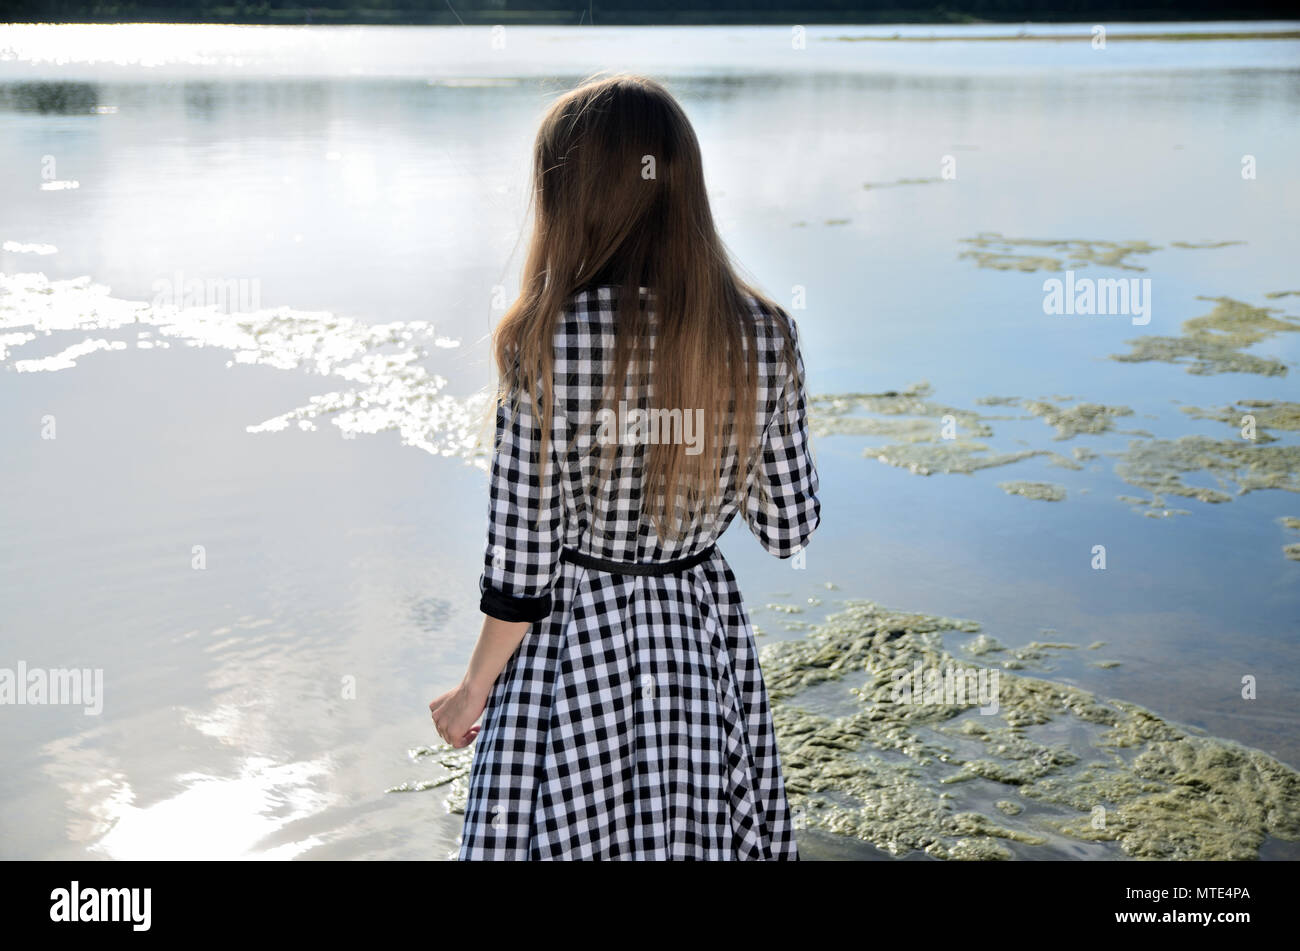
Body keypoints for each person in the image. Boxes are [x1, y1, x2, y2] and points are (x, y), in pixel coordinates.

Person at [430, 73, 820, 860]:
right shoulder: (764, 333)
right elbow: (789, 527)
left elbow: (522, 562)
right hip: (696, 640)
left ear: (567, 200)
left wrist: (473, 687)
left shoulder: (542, 338)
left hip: (571, 643)